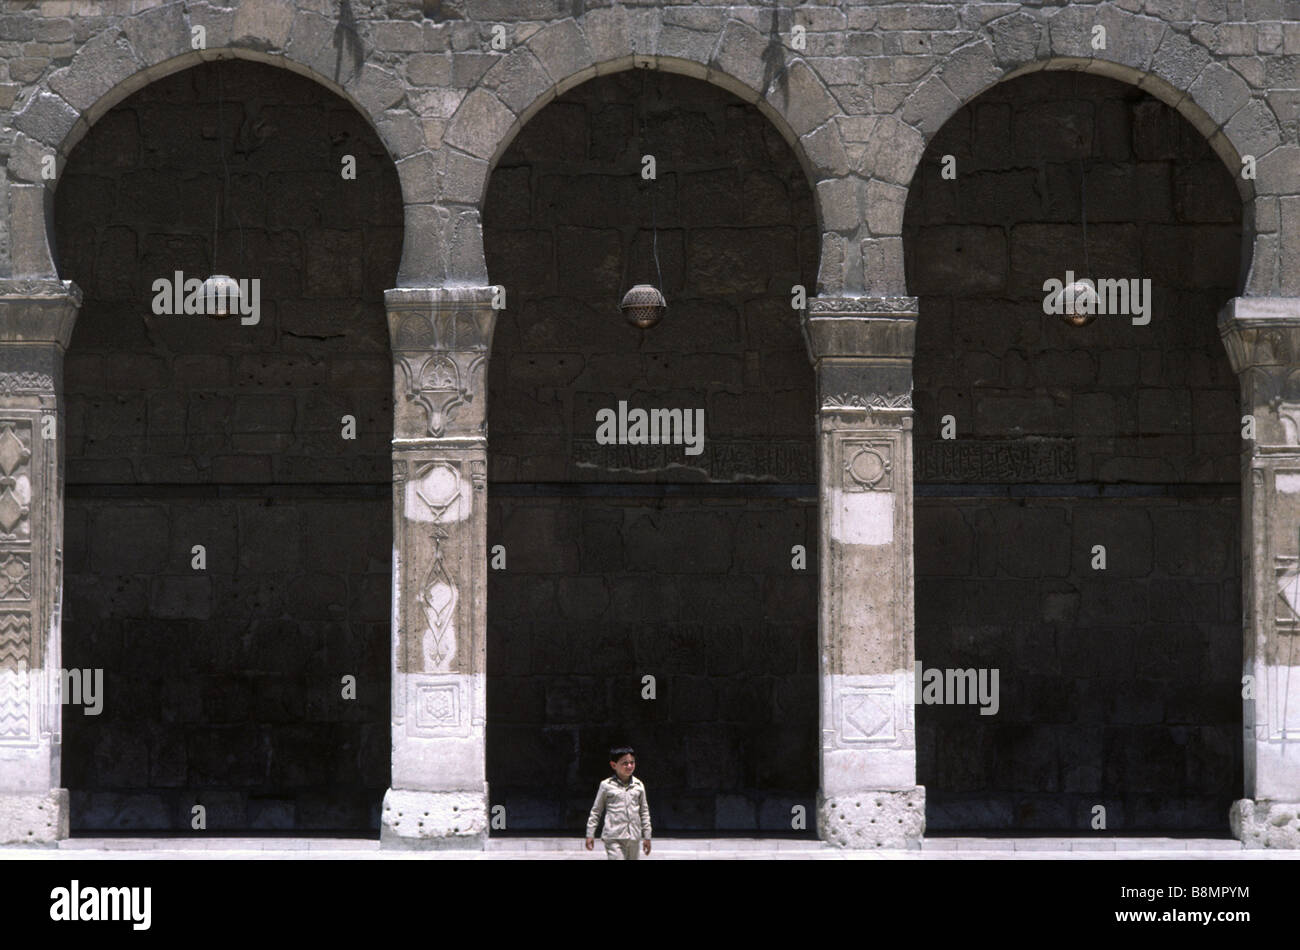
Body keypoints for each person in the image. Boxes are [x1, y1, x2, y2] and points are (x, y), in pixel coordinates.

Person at [584, 746, 652, 859]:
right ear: (613, 765)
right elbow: (596, 811)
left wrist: (647, 836)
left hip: (633, 837)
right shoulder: (606, 786)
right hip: (613, 836)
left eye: (632, 762)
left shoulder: (639, 785)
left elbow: (644, 812)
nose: (629, 766)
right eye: (625, 763)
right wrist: (590, 834)